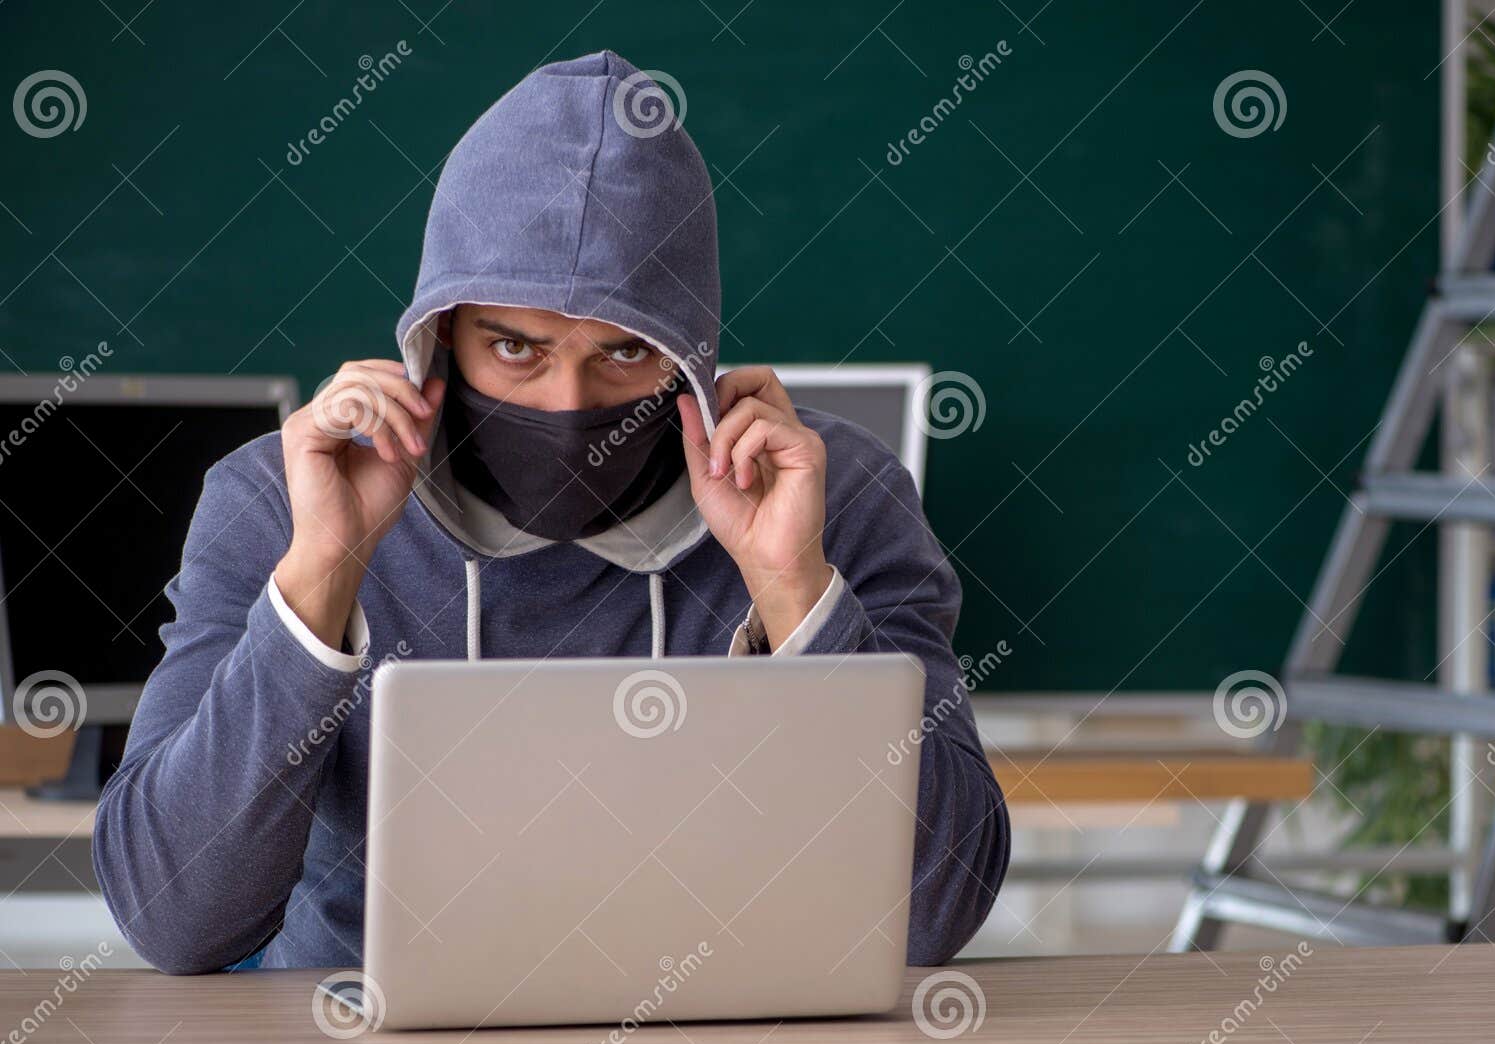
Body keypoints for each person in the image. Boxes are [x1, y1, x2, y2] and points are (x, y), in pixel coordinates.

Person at [92, 50, 1010, 974]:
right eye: (515, 348)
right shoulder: (281, 498)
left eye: (623, 354)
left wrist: (792, 591)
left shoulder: (824, 496)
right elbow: (175, 922)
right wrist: (325, 570)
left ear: (689, 360)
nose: (569, 407)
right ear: (439, 339)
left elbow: (935, 913)